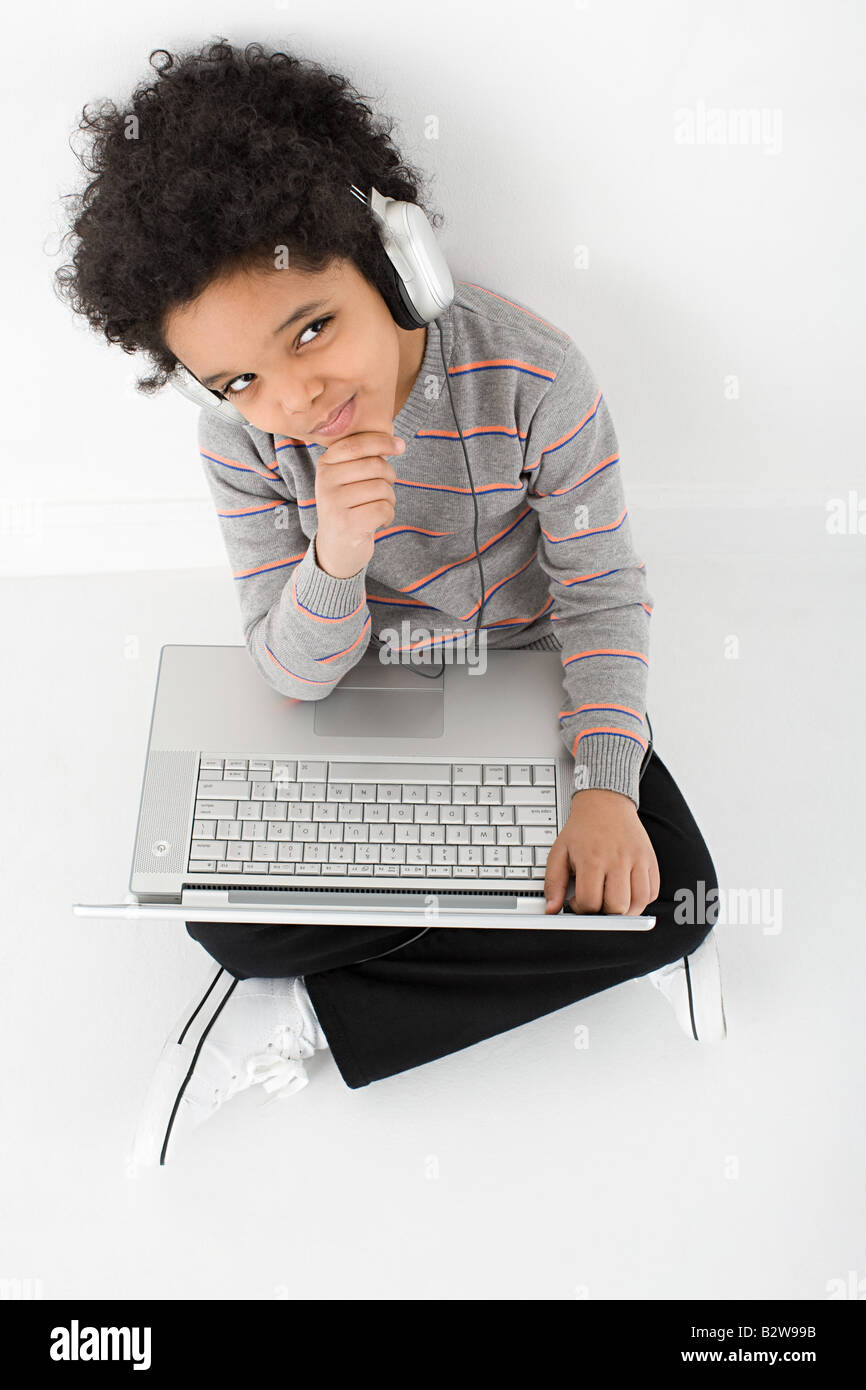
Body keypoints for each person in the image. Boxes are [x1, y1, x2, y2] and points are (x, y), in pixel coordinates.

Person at [54, 39, 724, 1164]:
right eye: (240, 380)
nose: (295, 399)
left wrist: (602, 791)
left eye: (310, 328)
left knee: (680, 894)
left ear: (398, 263)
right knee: (226, 919)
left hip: (517, 677)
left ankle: (326, 1008)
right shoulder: (243, 441)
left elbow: (601, 592)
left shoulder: (534, 377)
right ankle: (450, 915)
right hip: (356, 699)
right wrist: (334, 556)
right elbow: (287, 668)